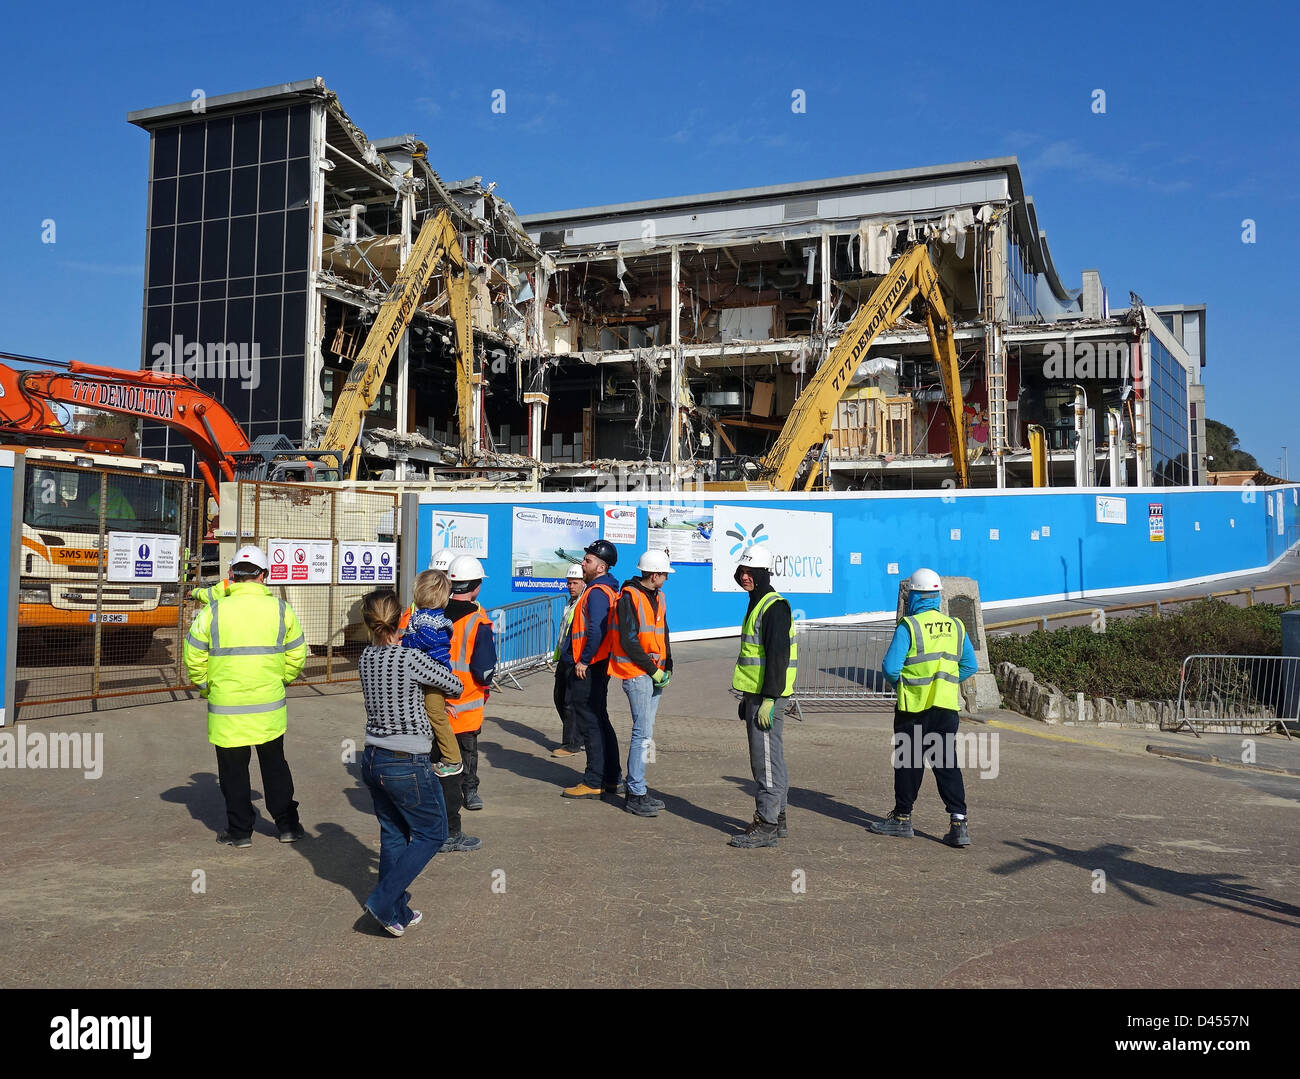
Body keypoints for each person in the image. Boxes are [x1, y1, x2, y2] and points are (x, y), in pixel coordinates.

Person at [183, 545, 308, 848]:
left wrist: (207, 686)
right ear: (264, 575)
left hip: (227, 708)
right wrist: (282, 680)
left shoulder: (213, 611)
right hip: (269, 707)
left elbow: (193, 657)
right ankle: (288, 826)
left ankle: (240, 832)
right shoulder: (281, 610)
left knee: (233, 771)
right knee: (275, 765)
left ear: (231, 575)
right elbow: (297, 655)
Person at [356, 589, 451, 936]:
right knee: (432, 833)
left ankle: (395, 908)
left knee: (394, 834)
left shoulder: (366, 657)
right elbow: (451, 683)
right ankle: (382, 901)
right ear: (402, 619)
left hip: (373, 758)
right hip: (406, 760)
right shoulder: (410, 657)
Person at [869, 568, 979, 848]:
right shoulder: (956, 626)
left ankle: (902, 819)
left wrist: (903, 686)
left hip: (913, 708)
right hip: (945, 709)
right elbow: (970, 665)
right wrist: (946, 683)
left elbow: (890, 667)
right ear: (938, 595)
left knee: (909, 764)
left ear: (915, 596)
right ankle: (959, 824)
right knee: (946, 765)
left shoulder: (910, 626)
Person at [727, 546, 796, 849]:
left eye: (750, 572)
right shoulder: (758, 604)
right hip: (756, 695)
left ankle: (766, 824)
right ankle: (777, 817)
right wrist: (749, 698)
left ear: (762, 573)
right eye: (742, 572)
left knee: (765, 761)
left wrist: (768, 698)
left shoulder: (773, 606)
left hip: (768, 698)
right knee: (772, 759)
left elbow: (778, 656)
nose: (745, 577)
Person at [608, 550, 674, 817]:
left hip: (653, 672)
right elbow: (629, 640)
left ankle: (639, 787)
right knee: (642, 733)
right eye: (665, 574)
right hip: (636, 672)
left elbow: (663, 632)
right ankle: (635, 793)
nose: (667, 579)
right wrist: (652, 670)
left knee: (646, 733)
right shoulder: (629, 597)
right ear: (654, 574)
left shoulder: (659, 597)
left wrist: (668, 666)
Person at [560, 539, 622, 800]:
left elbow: (596, 630)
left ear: (601, 567)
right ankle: (611, 777)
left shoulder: (597, 592)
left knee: (591, 723)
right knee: (601, 720)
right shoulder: (605, 589)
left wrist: (584, 660)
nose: (583, 563)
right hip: (600, 664)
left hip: (591, 666)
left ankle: (594, 779)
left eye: (588, 560)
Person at [444, 555, 496, 820]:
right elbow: (484, 668)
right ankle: (470, 791)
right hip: (467, 700)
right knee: (467, 750)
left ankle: (442, 793)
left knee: (440, 751)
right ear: (476, 586)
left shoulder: (432, 612)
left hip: (436, 700)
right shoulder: (478, 621)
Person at [402, 569, 463, 777]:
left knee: (435, 715)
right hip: (432, 673)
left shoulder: (426, 618)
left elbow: (426, 640)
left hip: (432, 676)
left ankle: (453, 759)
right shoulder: (435, 616)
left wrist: (405, 643)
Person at [550, 563, 587, 758]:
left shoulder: (584, 602)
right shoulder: (571, 602)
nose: (571, 586)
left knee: (569, 702)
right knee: (559, 697)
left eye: (575, 582)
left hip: (575, 660)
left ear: (583, 583)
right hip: (565, 657)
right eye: (569, 582)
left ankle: (572, 743)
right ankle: (579, 737)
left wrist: (583, 660)